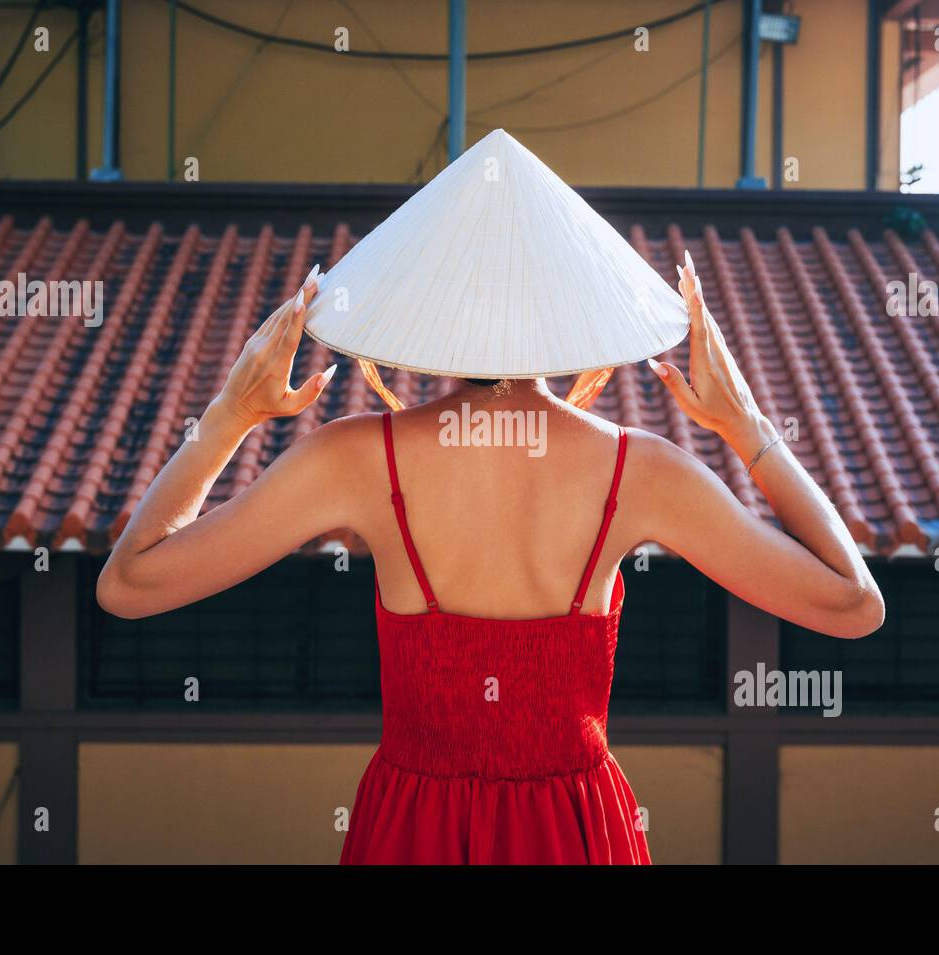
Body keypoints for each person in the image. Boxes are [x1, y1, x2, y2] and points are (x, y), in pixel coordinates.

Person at [96, 252, 885, 864]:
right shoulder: (639, 469)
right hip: (578, 831)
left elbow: (128, 585)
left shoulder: (353, 459)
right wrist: (748, 426)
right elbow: (854, 603)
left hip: (411, 830)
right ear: (566, 317)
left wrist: (232, 412)